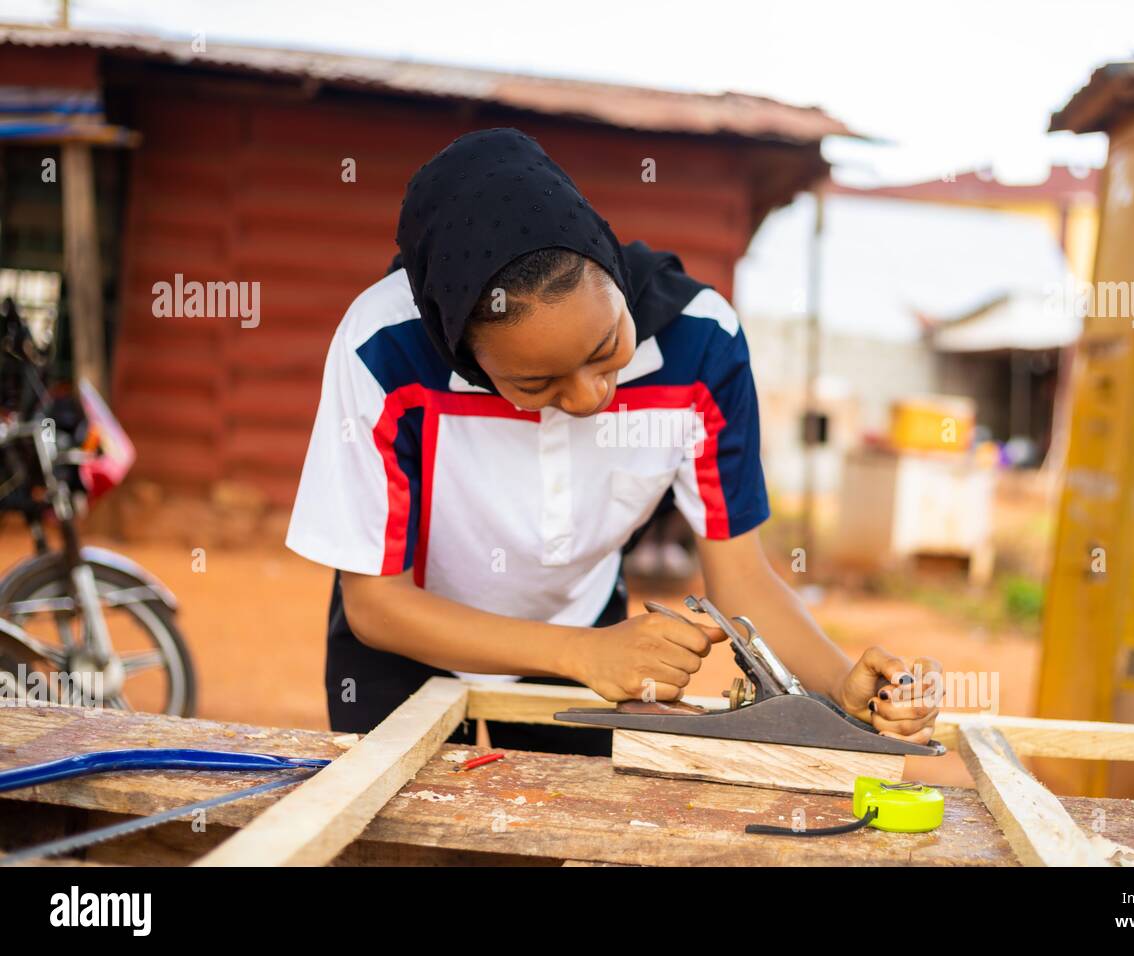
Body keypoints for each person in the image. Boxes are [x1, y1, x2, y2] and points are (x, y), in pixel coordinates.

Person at [287, 128, 941, 754]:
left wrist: (842, 685)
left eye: (607, 351)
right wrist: (582, 652)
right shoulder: (382, 347)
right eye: (536, 382)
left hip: (589, 644)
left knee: (566, 825)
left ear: (614, 274)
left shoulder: (702, 346)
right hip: (410, 647)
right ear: (463, 357)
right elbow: (375, 605)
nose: (588, 397)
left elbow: (740, 575)